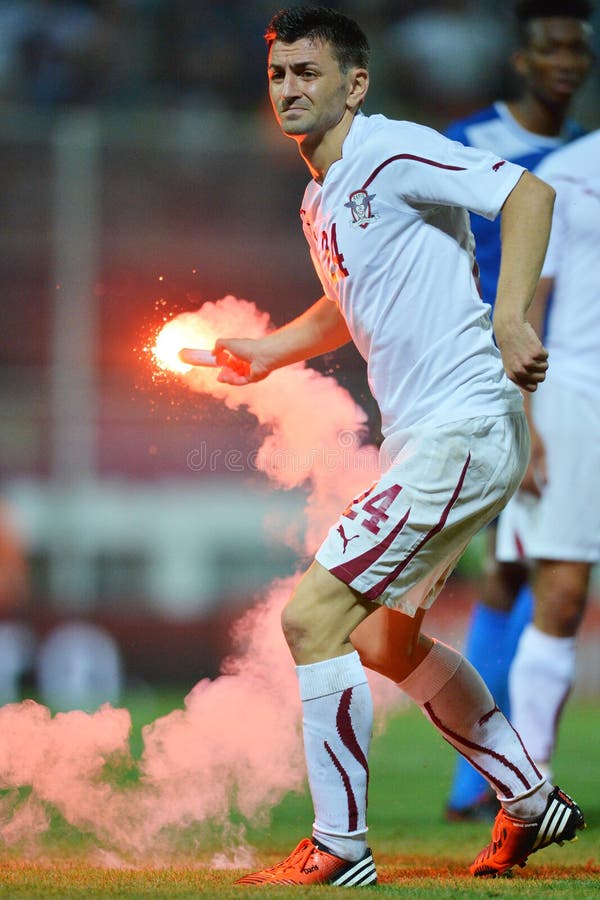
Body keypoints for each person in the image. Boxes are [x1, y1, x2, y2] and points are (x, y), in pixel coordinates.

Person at [193, 7, 584, 885]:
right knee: (380, 645)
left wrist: (512, 315)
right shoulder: (317, 197)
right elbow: (348, 300)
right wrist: (270, 349)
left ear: (354, 84)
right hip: (434, 440)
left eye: (308, 73)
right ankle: (529, 803)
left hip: (465, 427)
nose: (290, 89)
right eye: (278, 75)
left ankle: (340, 848)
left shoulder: (388, 149)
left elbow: (528, 193)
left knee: (312, 619)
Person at [443, 0, 594, 821]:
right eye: (552, 47)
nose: (568, 60)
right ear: (523, 60)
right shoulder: (472, 142)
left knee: (516, 571)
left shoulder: (583, 156)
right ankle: (486, 779)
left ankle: (493, 779)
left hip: (545, 356)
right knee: (509, 572)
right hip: (490, 360)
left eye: (579, 47)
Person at [495, 127, 600, 783]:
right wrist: (526, 422)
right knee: (560, 594)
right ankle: (528, 787)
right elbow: (529, 301)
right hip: (578, 392)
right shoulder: (569, 169)